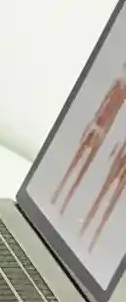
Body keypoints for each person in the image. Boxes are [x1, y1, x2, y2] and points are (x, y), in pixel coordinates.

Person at [52, 62, 126, 213]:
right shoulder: (117, 84)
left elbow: (117, 118)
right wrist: (93, 123)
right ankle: (59, 192)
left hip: (105, 132)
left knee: (83, 168)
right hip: (97, 125)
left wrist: (107, 136)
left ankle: (66, 201)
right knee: (76, 160)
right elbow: (103, 104)